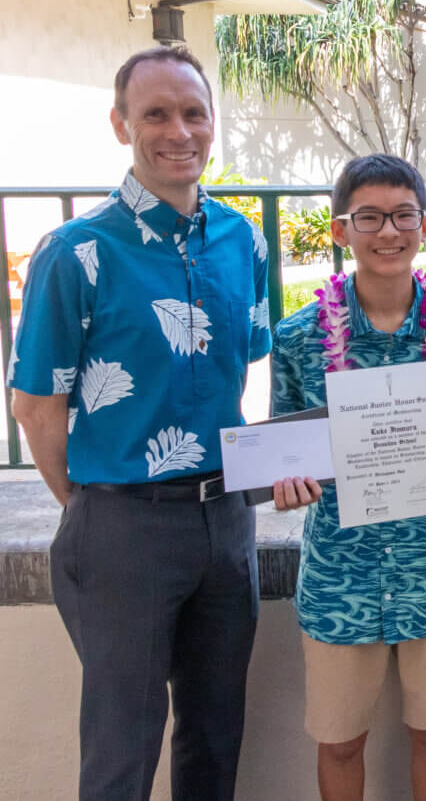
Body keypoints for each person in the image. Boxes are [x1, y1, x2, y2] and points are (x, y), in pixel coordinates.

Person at [8, 45, 270, 801]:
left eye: (193, 112)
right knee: (123, 748)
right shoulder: (74, 252)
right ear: (121, 124)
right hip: (123, 524)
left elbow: (240, 370)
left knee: (215, 737)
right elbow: (36, 407)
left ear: (213, 123)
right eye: (156, 113)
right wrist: (94, 507)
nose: (177, 130)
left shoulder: (242, 241)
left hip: (227, 519)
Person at [267, 154, 426, 801]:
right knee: (339, 741)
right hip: (340, 572)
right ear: (341, 229)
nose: (388, 231)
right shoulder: (300, 338)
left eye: (403, 215)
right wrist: (288, 479)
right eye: (370, 217)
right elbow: (284, 448)